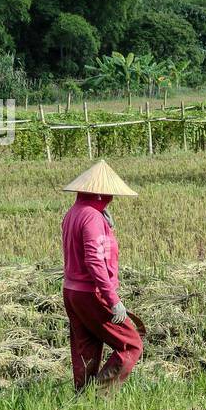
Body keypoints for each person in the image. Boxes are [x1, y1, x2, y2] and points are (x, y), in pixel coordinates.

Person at [61, 160, 143, 392]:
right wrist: (113, 300)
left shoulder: (73, 213)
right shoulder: (92, 218)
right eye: (108, 193)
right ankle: (101, 393)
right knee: (130, 344)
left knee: (85, 349)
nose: (111, 198)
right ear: (98, 193)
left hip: (72, 292)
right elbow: (95, 260)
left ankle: (83, 396)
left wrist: (109, 230)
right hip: (91, 293)